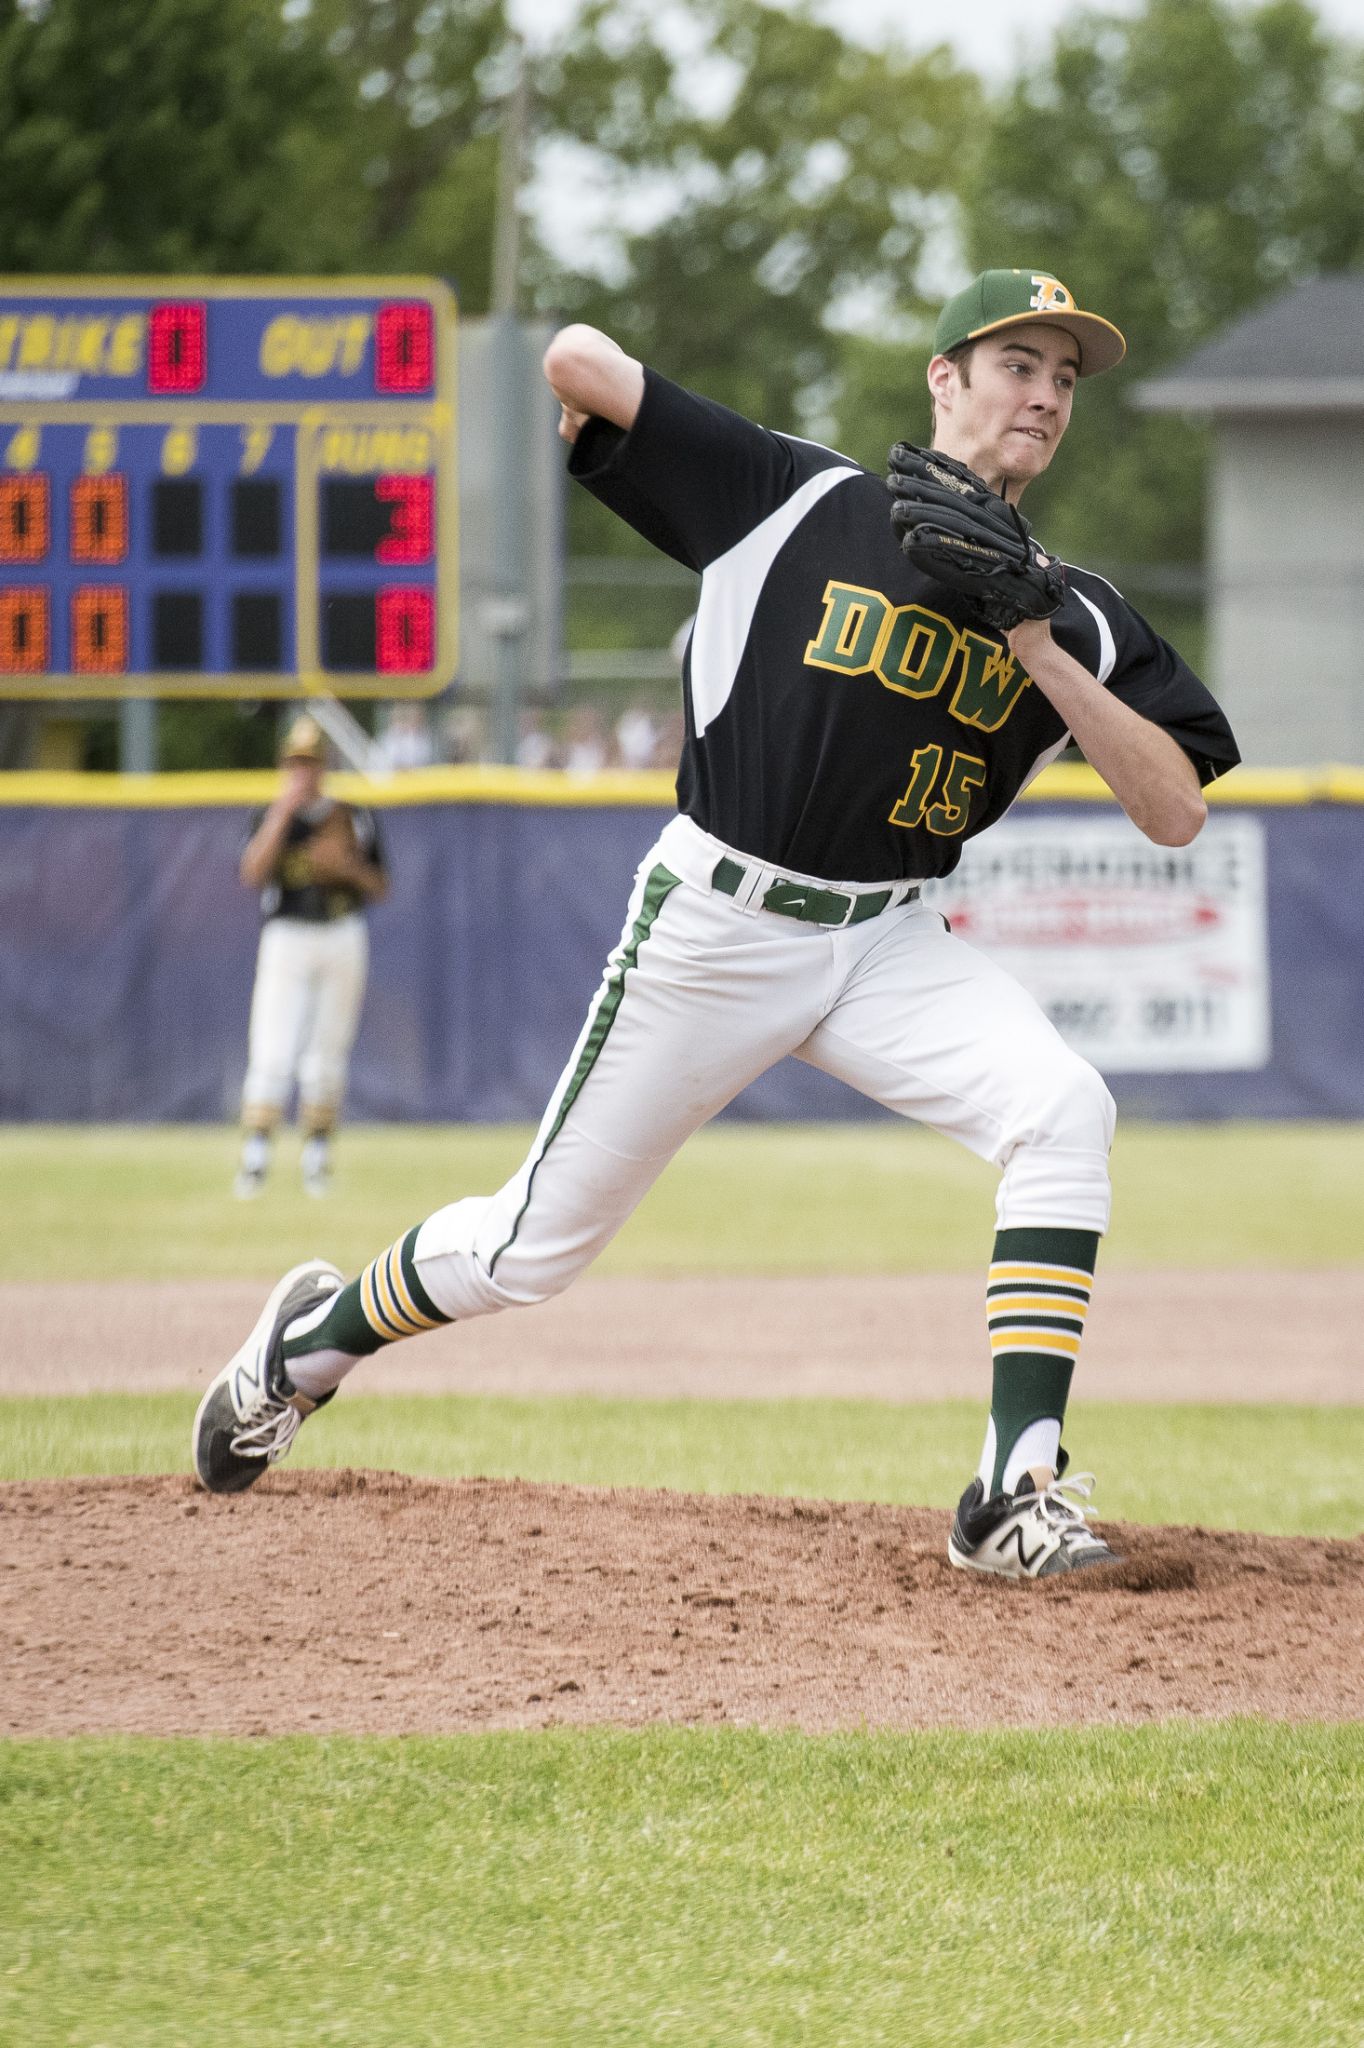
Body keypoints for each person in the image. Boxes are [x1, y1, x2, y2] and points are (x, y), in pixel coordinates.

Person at [194, 268, 1239, 1581]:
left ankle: (1010, 1489)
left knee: (1064, 1109)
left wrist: (1034, 636)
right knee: (528, 1252)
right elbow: (576, 360)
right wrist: (712, 431)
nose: (1043, 392)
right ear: (945, 379)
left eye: (1065, 376)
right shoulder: (795, 495)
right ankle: (297, 1356)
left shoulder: (1076, 610)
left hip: (892, 941)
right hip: (718, 923)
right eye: (1017, 362)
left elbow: (1175, 811)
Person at [232, 714, 389, 1200]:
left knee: (327, 1052)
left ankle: (317, 1159)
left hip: (341, 932)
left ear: (326, 765)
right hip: (288, 935)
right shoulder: (272, 814)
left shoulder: (352, 814)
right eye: (295, 762)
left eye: (311, 762)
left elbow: (381, 885)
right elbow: (252, 872)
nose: (303, 771)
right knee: (272, 1049)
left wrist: (346, 867)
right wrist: (283, 813)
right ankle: (256, 1157)